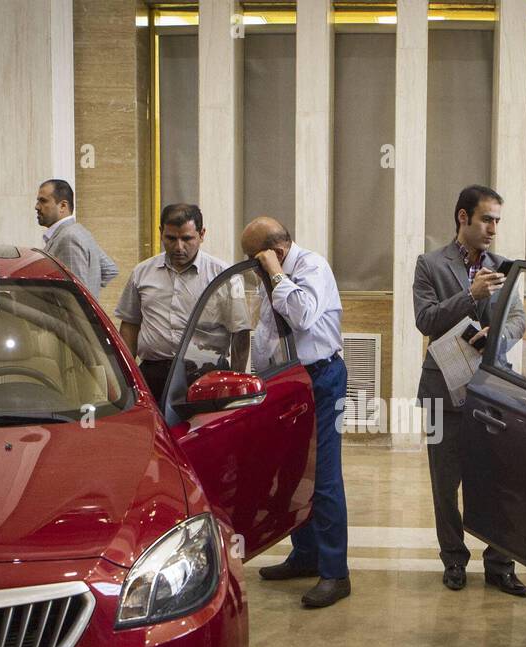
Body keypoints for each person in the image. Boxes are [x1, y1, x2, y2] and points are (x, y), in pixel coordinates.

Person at [413, 184, 526, 596]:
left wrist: (493, 334)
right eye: (486, 219)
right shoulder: (429, 264)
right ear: (463, 217)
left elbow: (518, 319)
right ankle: (454, 561)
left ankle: (500, 563)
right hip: (442, 390)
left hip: (494, 390)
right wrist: (470, 296)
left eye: (498, 220)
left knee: (500, 482)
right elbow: (425, 319)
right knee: (446, 483)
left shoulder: (505, 266)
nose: (493, 228)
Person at [246, 217, 350, 609]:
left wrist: (274, 273)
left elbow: (302, 315)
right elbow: (269, 331)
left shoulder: (311, 267)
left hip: (322, 379)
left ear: (276, 252)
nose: (253, 266)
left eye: (255, 258)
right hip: (287, 380)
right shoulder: (274, 274)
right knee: (293, 471)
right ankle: (305, 555)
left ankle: (336, 572)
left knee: (323, 474)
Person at [115, 203, 250, 402]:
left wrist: (237, 384)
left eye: (187, 239)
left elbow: (240, 333)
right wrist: (125, 377)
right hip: (153, 375)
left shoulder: (223, 276)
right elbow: (130, 325)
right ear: (161, 233)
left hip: (206, 375)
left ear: (202, 234)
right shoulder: (142, 272)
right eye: (171, 238)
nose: (179, 247)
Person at [36, 178, 118, 296]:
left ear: (63, 206)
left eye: (43, 201)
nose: (37, 207)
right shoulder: (80, 232)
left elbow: (74, 295)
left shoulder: (69, 238)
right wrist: (91, 290)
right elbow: (110, 269)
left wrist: (89, 296)